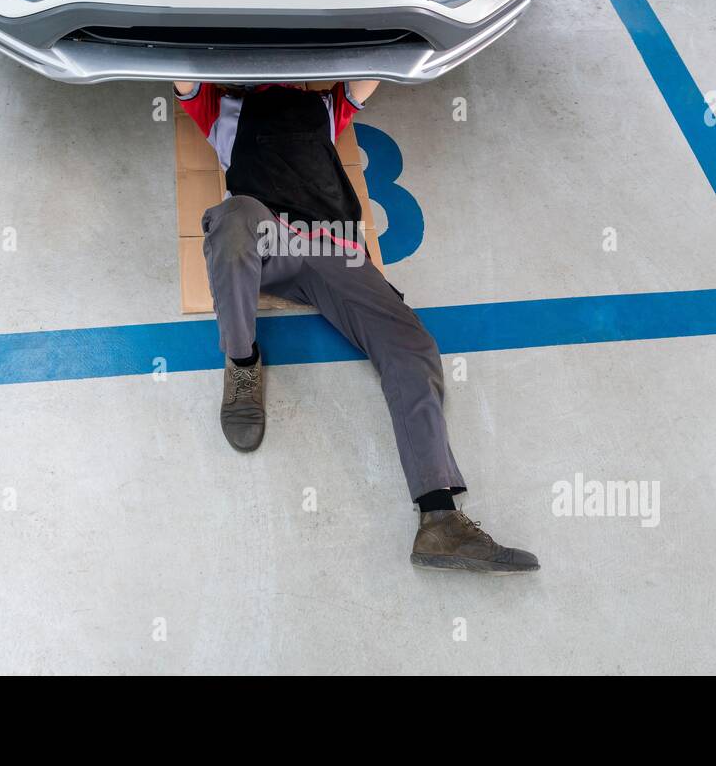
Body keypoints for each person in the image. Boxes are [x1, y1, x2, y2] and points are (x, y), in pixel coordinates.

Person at [174, 80, 539, 574]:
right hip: (268, 237)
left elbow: (376, 67)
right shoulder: (222, 111)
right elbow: (183, 74)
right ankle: (242, 364)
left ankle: (439, 519)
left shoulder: (325, 108)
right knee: (234, 218)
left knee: (412, 346)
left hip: (336, 249)